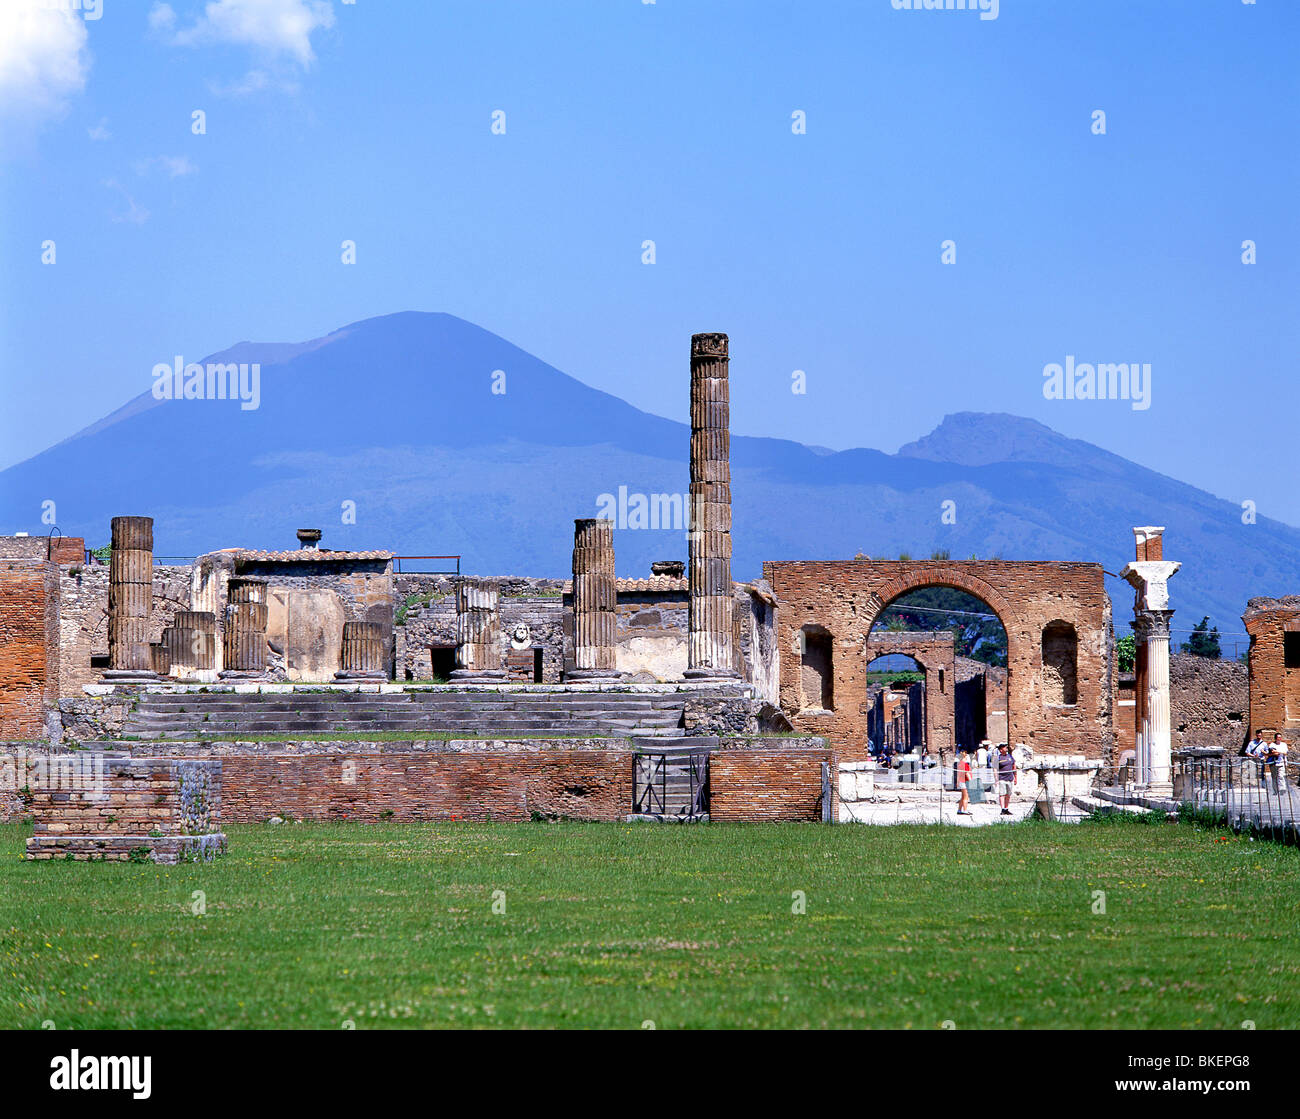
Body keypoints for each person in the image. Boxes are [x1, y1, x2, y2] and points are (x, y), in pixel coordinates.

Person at [994, 742, 1017, 816]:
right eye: (1004, 747)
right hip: (1002, 778)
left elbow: (1014, 766)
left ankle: (1006, 808)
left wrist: (1015, 777)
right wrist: (996, 779)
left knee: (1008, 794)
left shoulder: (1010, 756)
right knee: (1002, 794)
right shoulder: (997, 758)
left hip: (1010, 778)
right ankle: (1002, 809)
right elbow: (995, 769)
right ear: (1001, 750)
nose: (1006, 748)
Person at [955, 748, 972, 816]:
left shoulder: (960, 763)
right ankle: (965, 810)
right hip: (965, 781)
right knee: (966, 797)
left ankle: (959, 809)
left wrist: (957, 782)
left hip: (961, 781)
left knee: (962, 797)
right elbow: (966, 773)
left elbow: (958, 774)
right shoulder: (965, 764)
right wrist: (971, 781)